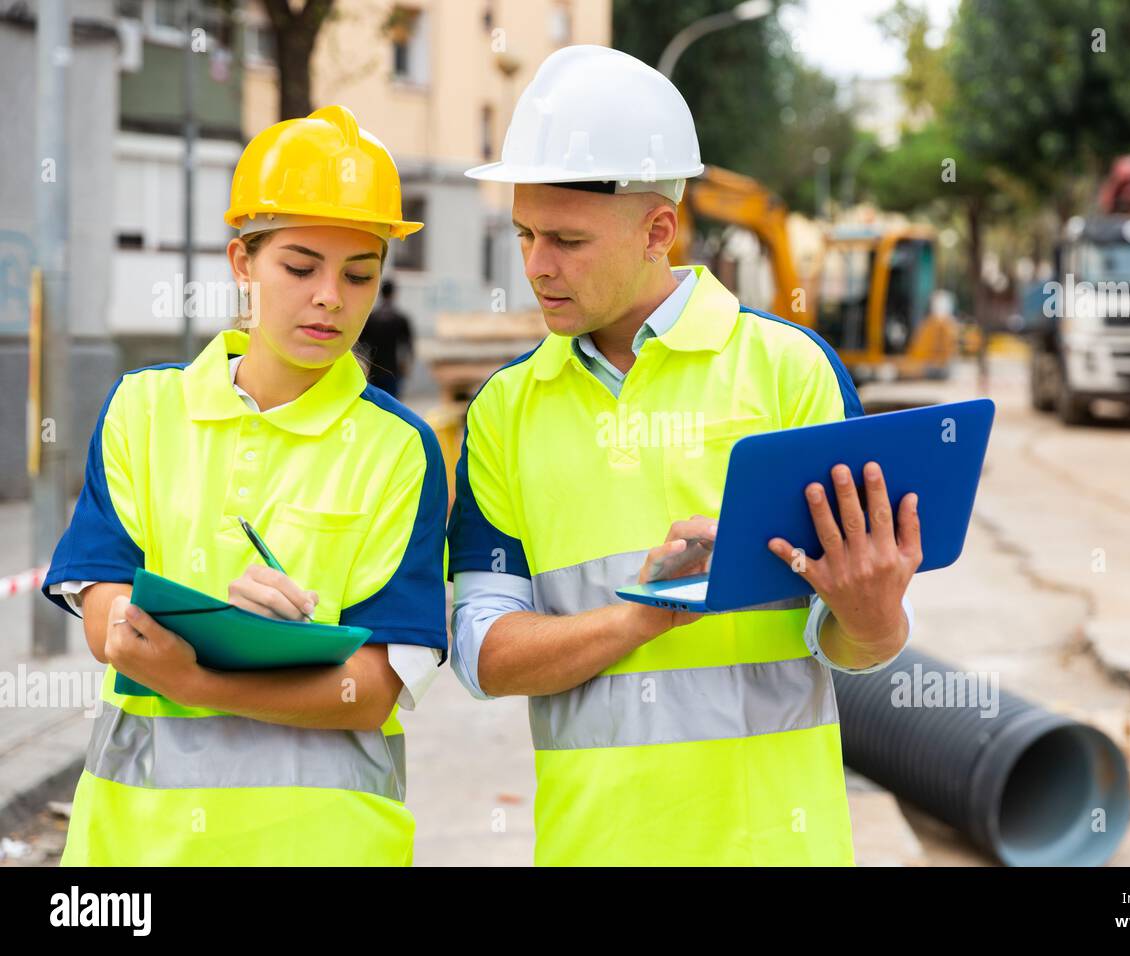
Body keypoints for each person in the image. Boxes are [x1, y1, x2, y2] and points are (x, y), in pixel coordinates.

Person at [448, 46, 920, 866]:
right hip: (591, 849)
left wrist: (876, 614)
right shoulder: (503, 412)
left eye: (566, 240)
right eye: (524, 233)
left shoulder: (790, 373)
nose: (535, 266)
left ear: (657, 231)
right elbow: (482, 655)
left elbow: (851, 641)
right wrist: (645, 615)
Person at [41, 105, 446, 866]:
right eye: (300, 267)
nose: (331, 296)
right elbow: (102, 618)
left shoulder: (402, 451)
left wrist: (201, 677)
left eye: (360, 274)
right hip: (132, 855)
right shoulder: (142, 409)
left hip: (325, 851)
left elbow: (378, 685)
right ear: (241, 263)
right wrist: (201, 626)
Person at [357, 279, 414, 398]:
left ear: (380, 293)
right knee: (392, 403)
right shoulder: (399, 318)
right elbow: (408, 344)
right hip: (393, 369)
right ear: (394, 294)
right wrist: (407, 363)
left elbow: (360, 344)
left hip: (374, 368)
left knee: (375, 401)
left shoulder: (371, 317)